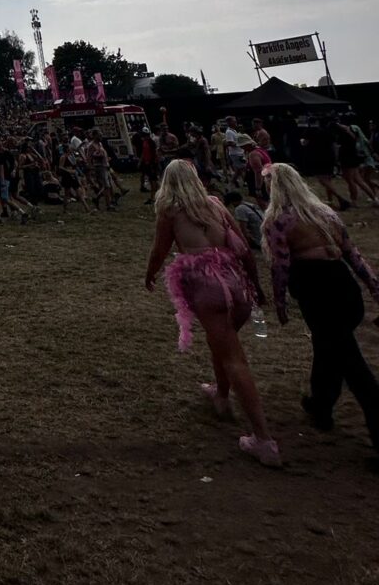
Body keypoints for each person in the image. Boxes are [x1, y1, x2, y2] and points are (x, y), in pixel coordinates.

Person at [144, 159, 279, 465]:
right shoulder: (216, 204)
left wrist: (150, 273)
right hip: (235, 283)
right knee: (223, 341)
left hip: (209, 287)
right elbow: (242, 247)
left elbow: (159, 249)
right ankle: (220, 394)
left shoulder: (170, 211)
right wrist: (255, 287)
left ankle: (263, 439)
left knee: (234, 357)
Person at [263, 163, 379, 463]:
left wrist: (279, 303)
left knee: (354, 368)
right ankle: (320, 406)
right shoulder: (324, 213)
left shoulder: (279, 220)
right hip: (344, 287)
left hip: (319, 292)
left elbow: (281, 266)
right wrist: (372, 286)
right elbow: (353, 254)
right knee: (329, 348)